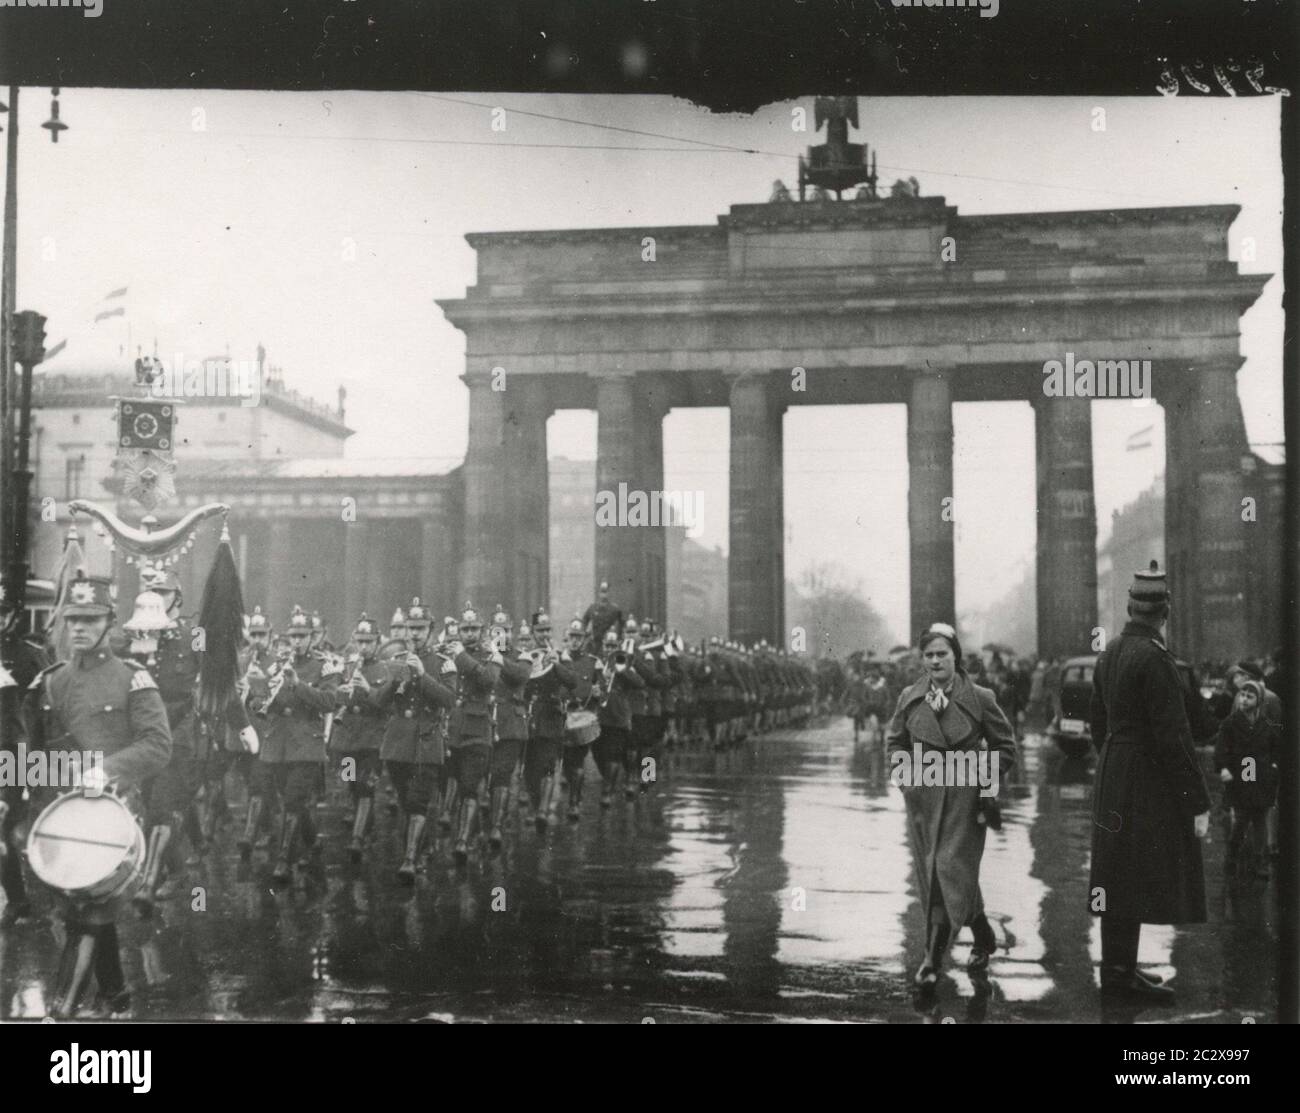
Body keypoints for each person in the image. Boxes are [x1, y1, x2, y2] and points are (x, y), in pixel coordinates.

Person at [22, 573, 172, 1016]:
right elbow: (31, 753)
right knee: (87, 912)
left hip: (114, 814)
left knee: (86, 918)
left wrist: (104, 769)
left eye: (91, 619)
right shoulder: (50, 683)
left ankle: (60, 1014)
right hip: (61, 819)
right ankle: (118, 997)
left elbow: (158, 745)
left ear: (110, 622)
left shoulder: (132, 678)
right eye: (73, 620)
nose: (80, 628)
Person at [1088, 561, 1211, 1003]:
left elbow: (1097, 724)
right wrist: (1197, 799)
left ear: (1129, 606)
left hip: (1114, 773)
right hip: (1143, 779)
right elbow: (1174, 739)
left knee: (1115, 876)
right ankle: (1121, 977)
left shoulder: (1111, 653)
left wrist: (1115, 762)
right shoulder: (1158, 661)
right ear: (1165, 611)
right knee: (1135, 874)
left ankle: (1119, 973)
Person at [885, 622, 1017, 991]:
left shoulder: (981, 698)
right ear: (922, 660)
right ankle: (984, 934)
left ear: (955, 656)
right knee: (941, 875)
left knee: (948, 870)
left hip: (965, 802)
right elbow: (895, 742)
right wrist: (907, 778)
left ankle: (931, 959)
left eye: (942, 653)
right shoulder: (909, 698)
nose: (935, 660)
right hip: (924, 803)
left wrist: (982, 776)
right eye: (928, 654)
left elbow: (1006, 747)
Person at [1213, 678, 1278, 880]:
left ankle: (1261, 862)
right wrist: (1223, 767)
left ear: (1258, 701)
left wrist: (1275, 765)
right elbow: (1220, 750)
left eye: (1250, 696)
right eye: (1242, 695)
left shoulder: (1266, 725)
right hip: (1240, 780)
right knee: (1241, 819)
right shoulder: (1230, 724)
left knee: (1260, 821)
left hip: (1262, 780)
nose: (1244, 699)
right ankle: (1232, 855)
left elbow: (1276, 748)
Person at [581, 581, 623, 647]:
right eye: (602, 592)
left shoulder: (614, 609)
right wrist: (585, 632)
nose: (604, 595)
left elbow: (621, 623)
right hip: (595, 642)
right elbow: (584, 621)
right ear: (599, 593)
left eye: (605, 592)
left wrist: (619, 637)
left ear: (609, 593)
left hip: (610, 643)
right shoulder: (592, 608)